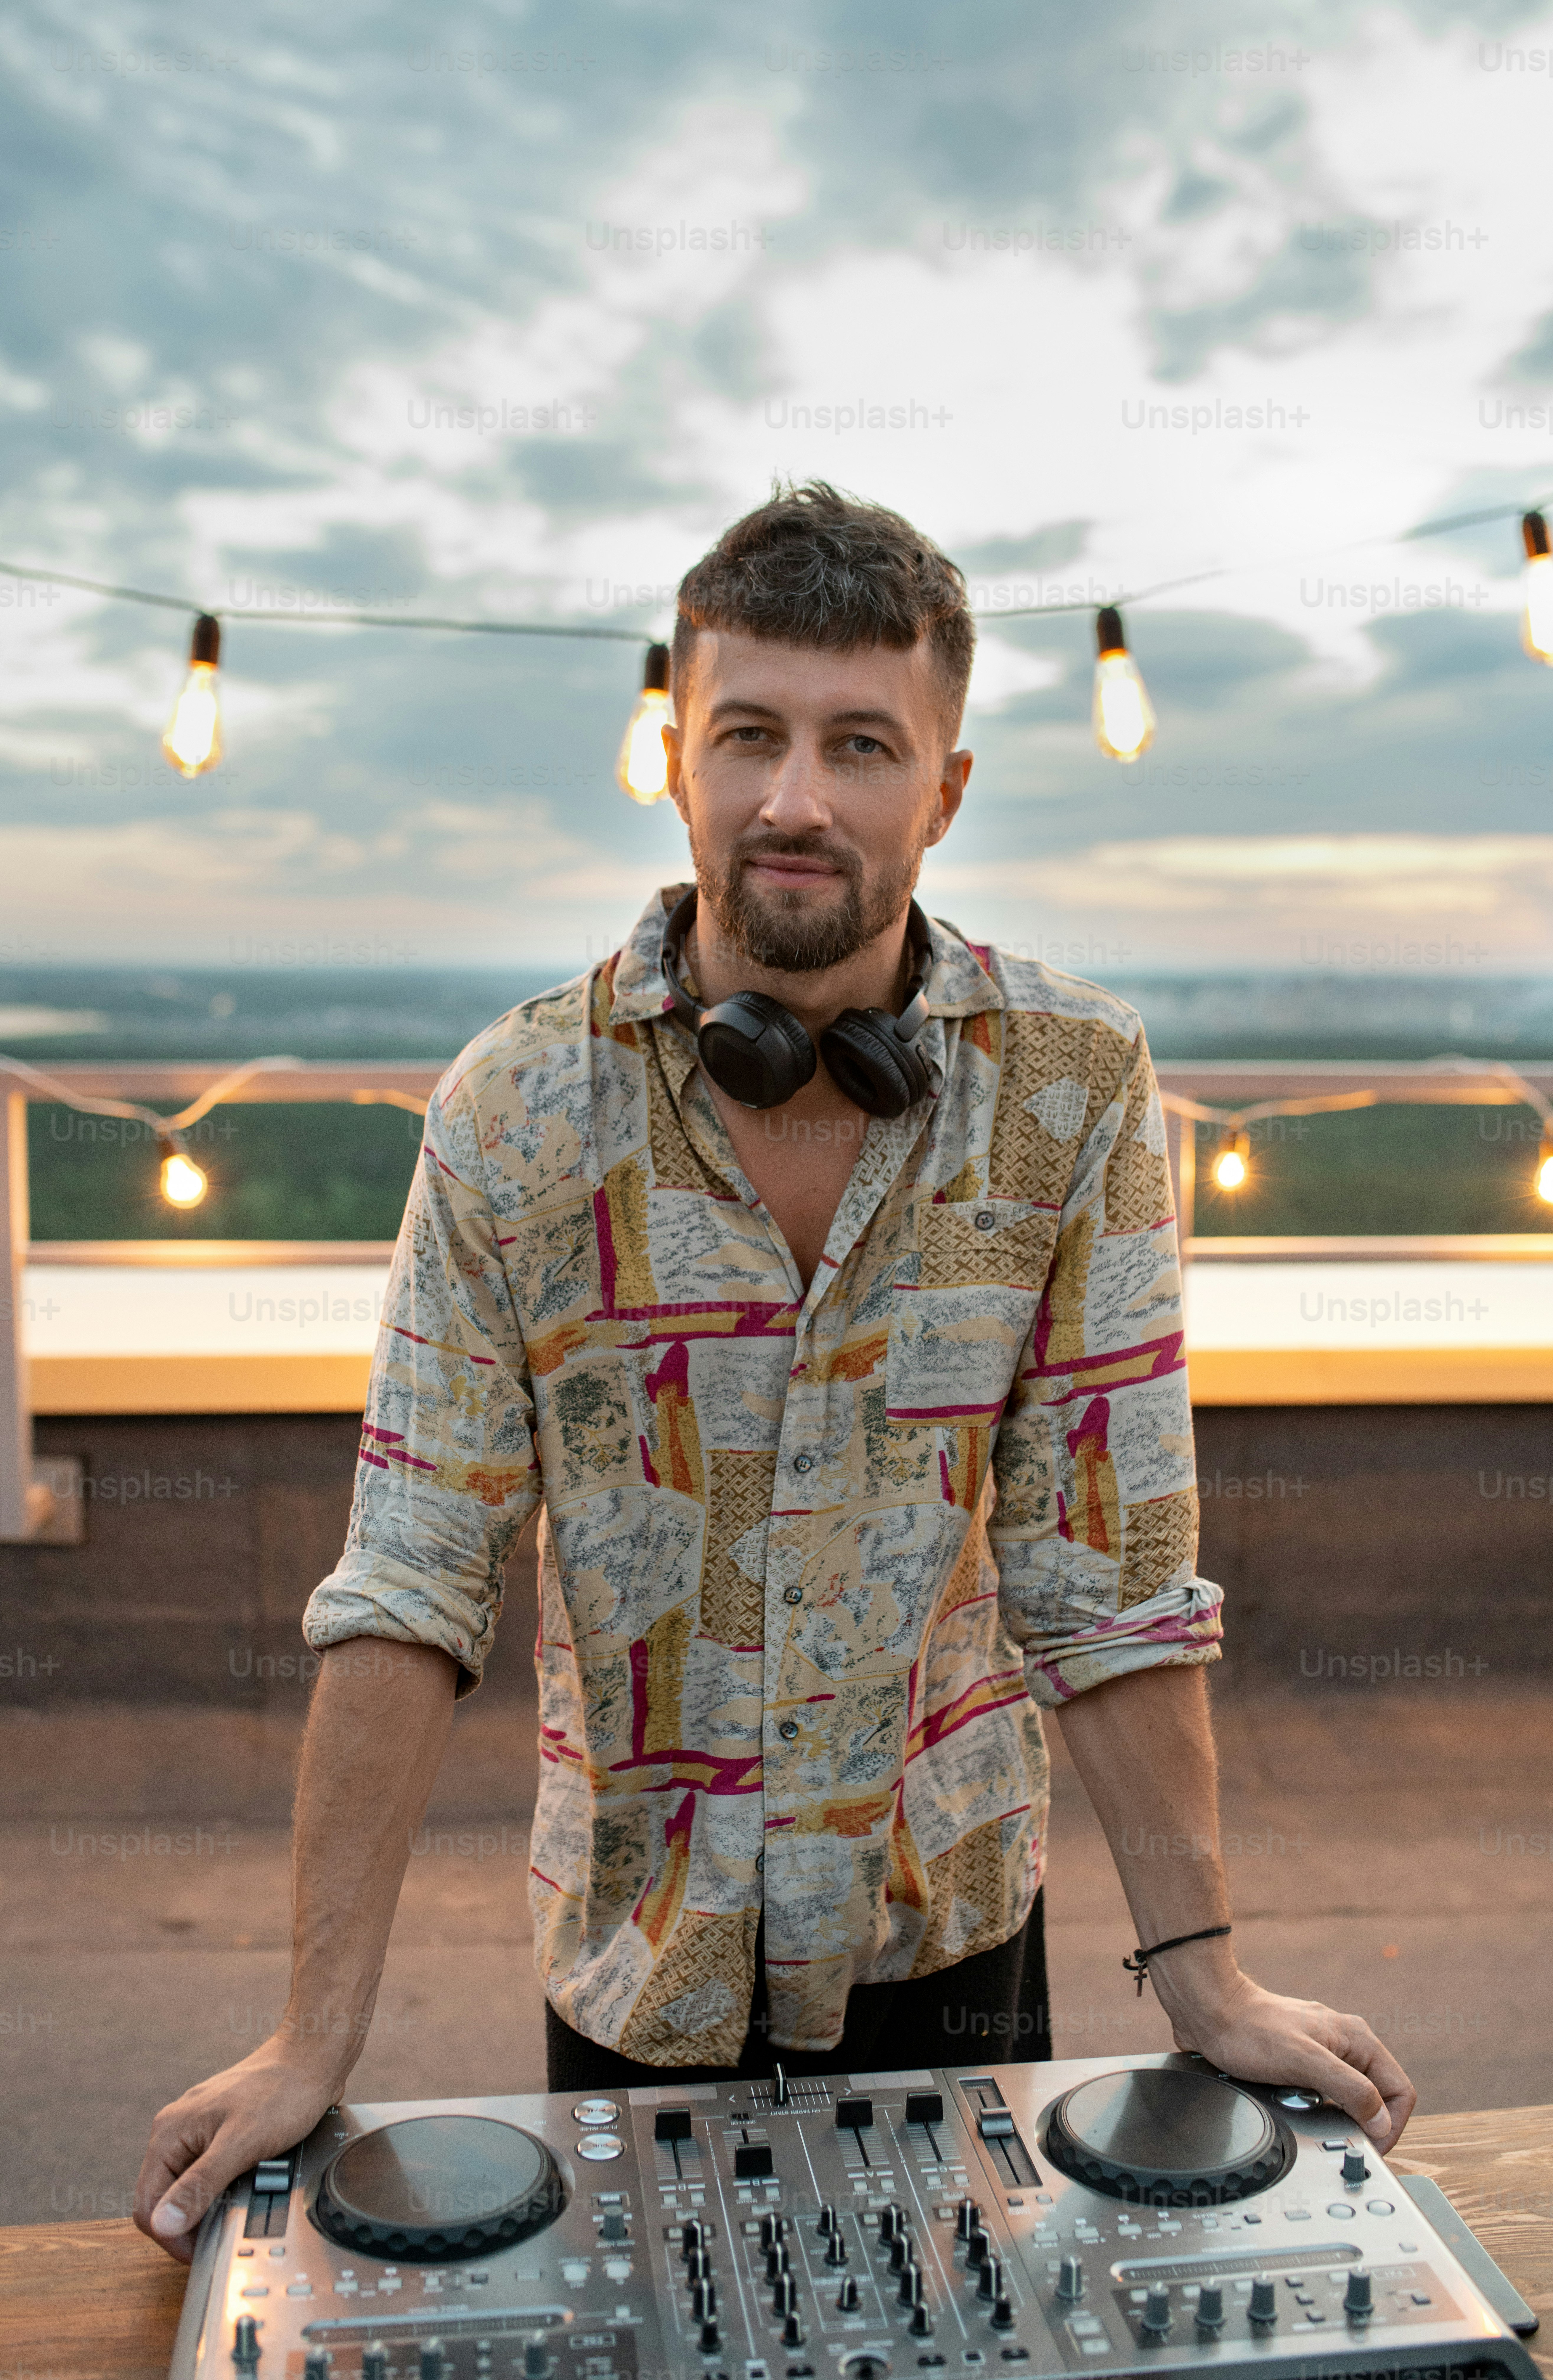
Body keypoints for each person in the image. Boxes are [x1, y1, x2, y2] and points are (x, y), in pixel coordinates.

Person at [135, 482, 1414, 2262]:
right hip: (643, 1966)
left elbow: (1107, 1583)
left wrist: (1205, 1979)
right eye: (750, 735)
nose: (795, 798)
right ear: (679, 755)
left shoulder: (1076, 1089)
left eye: (860, 744)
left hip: (956, 1945)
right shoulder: (512, 1111)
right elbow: (409, 1576)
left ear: (946, 788)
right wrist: (312, 2033)